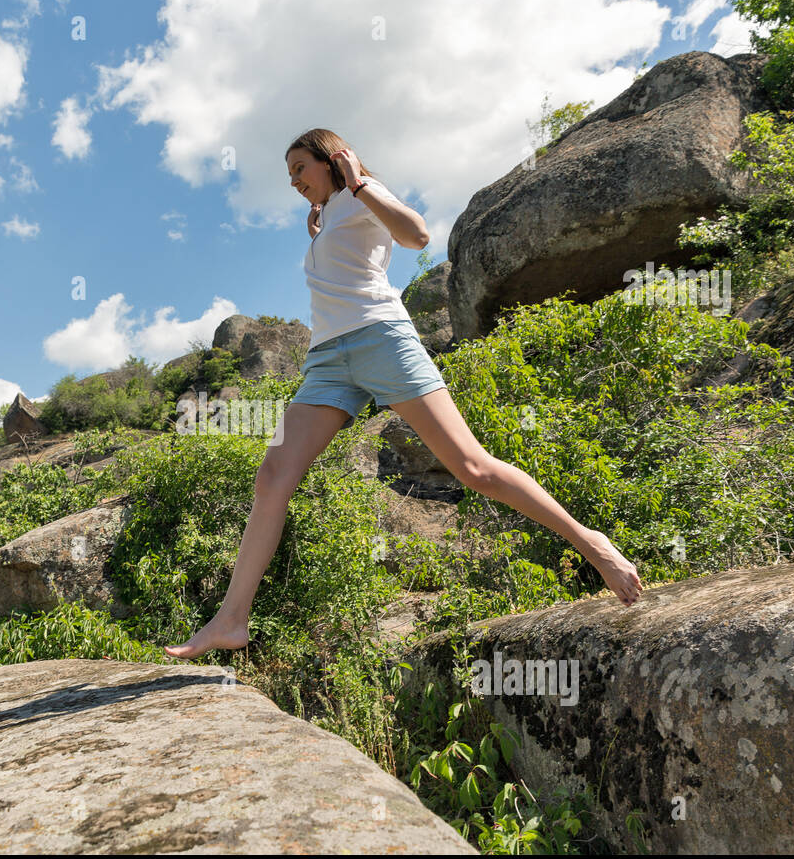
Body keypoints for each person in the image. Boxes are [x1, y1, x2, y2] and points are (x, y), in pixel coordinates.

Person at [163, 128, 643, 659]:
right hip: (326, 360)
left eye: (300, 168)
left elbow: (415, 235)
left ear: (332, 159)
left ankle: (592, 544)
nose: (294, 182)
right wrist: (323, 229)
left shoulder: (365, 192)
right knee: (272, 476)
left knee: (473, 468)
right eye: (289, 175)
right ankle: (232, 620)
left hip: (380, 340)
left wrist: (358, 186)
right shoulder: (326, 219)